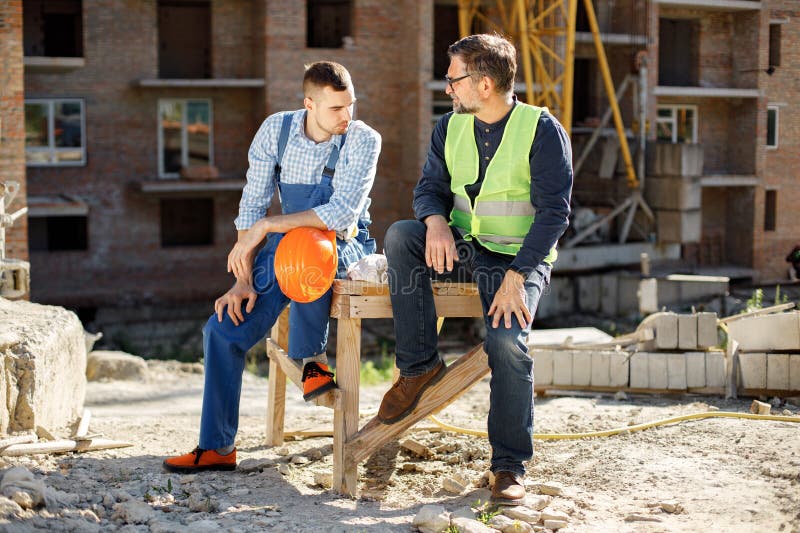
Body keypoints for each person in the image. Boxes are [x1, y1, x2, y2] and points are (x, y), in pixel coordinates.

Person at [380, 34, 572, 505]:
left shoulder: (542, 130)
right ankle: (420, 366)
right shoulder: (450, 127)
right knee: (402, 236)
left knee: (506, 344)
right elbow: (429, 188)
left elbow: (554, 214)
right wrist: (437, 224)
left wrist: (517, 277)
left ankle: (508, 466)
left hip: (516, 260)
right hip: (464, 248)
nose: (448, 88)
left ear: (483, 83)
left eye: (453, 79)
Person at [164, 61, 381, 473]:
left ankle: (312, 359)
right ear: (309, 104)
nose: (346, 116)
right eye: (336, 108)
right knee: (223, 329)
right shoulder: (276, 131)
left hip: (345, 244)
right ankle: (216, 447)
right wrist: (243, 280)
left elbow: (340, 214)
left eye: (350, 105)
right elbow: (253, 203)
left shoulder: (363, 140)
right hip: (285, 248)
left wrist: (268, 225)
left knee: (310, 259)